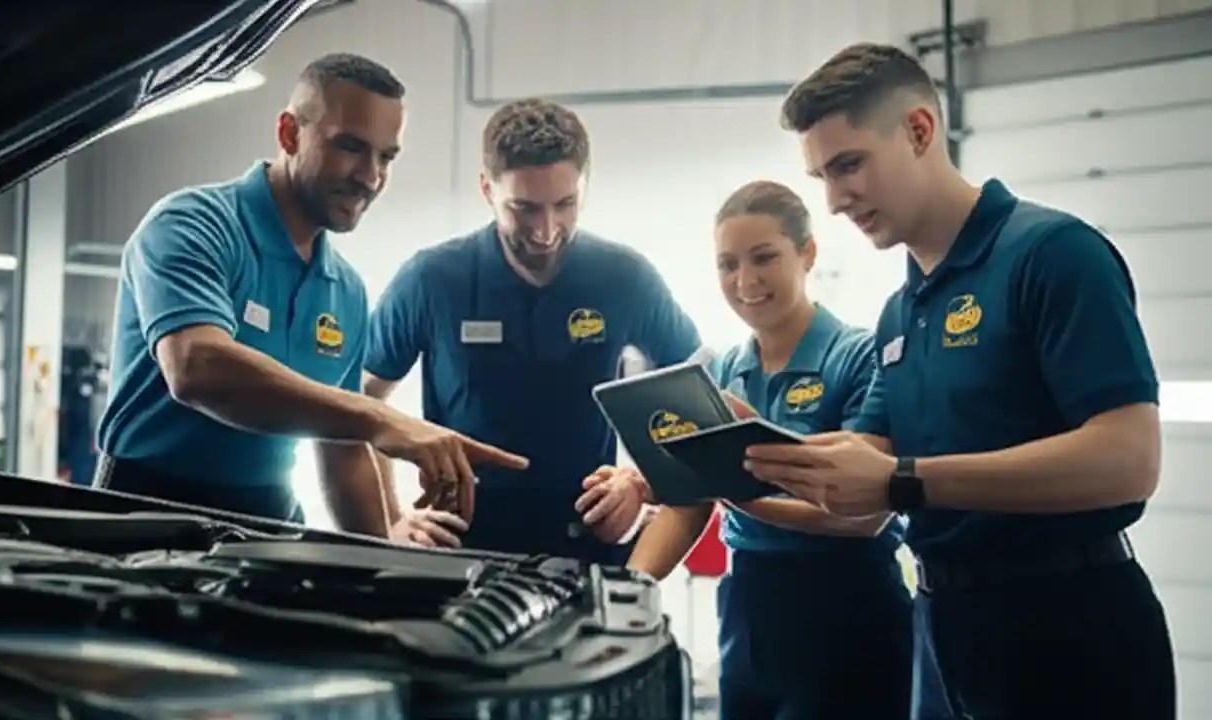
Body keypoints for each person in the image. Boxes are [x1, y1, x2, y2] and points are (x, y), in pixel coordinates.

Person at [746, 42, 1175, 719]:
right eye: (820, 176)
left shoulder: (1053, 255)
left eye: (848, 165)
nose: (832, 200)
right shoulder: (900, 310)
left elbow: (1128, 460)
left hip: (1070, 631)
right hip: (944, 628)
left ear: (918, 130)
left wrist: (904, 481)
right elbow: (862, 493)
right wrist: (729, 458)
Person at [95, 53, 527, 534]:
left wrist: (384, 551)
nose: (371, 175)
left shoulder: (345, 290)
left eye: (386, 157)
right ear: (288, 134)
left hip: (268, 517)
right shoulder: (194, 224)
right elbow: (196, 367)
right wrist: (377, 416)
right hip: (143, 511)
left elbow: (342, 452)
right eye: (350, 146)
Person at [597, 180, 915, 719]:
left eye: (764, 258)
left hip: (847, 604)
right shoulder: (721, 373)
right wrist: (625, 601)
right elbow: (688, 505)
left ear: (808, 253)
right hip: (748, 606)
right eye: (727, 264)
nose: (745, 281)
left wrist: (732, 483)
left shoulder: (860, 357)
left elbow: (861, 511)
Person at [359, 98, 701, 560]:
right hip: (459, 548)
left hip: (585, 544)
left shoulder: (624, 276)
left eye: (565, 205)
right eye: (525, 209)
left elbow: (700, 397)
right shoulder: (432, 279)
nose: (546, 230)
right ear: (487, 189)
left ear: (586, 187)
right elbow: (360, 401)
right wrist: (391, 521)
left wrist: (639, 482)